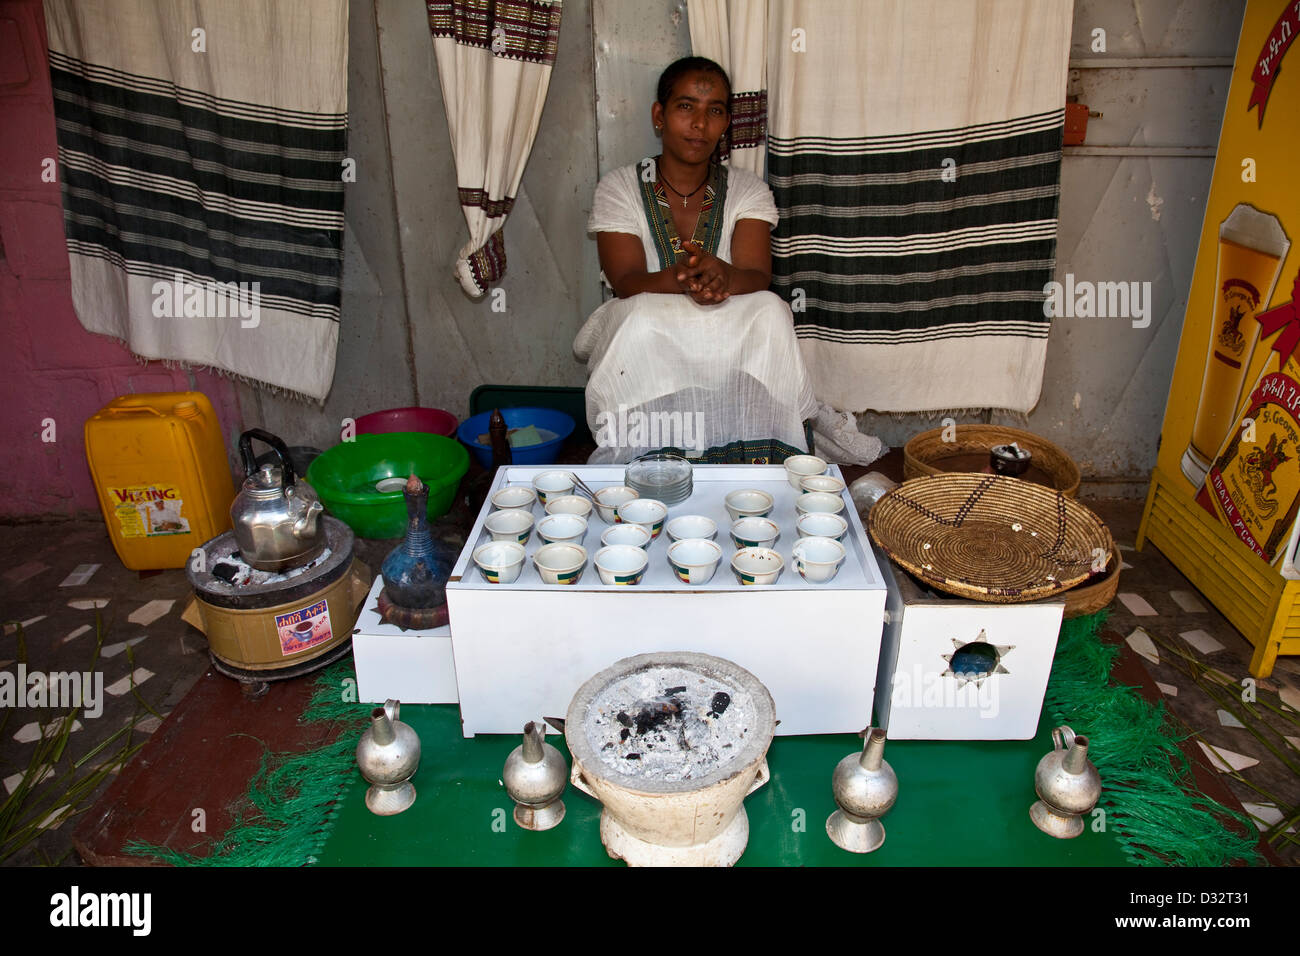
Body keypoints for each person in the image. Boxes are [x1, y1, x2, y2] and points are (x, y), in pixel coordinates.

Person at [575, 56, 818, 465]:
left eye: (715, 111)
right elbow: (626, 280)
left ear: (726, 124)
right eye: (686, 107)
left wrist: (722, 277)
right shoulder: (618, 187)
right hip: (655, 322)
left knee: (772, 310)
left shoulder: (747, 189)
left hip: (728, 326)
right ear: (660, 115)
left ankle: (763, 452)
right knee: (638, 316)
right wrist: (689, 280)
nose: (700, 124)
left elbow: (757, 275)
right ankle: (648, 455)